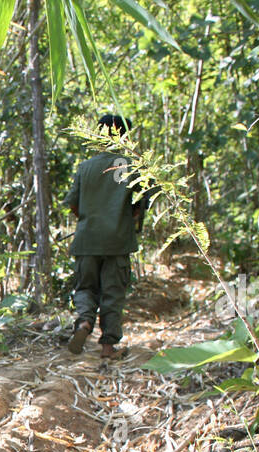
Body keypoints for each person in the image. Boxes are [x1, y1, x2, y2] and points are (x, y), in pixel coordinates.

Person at [64, 113, 150, 359]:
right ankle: (108, 347)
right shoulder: (132, 167)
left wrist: (91, 217)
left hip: (86, 239)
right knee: (112, 292)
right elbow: (139, 206)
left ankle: (84, 322)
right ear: (124, 135)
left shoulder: (86, 167)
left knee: (85, 287)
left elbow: (73, 204)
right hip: (117, 240)